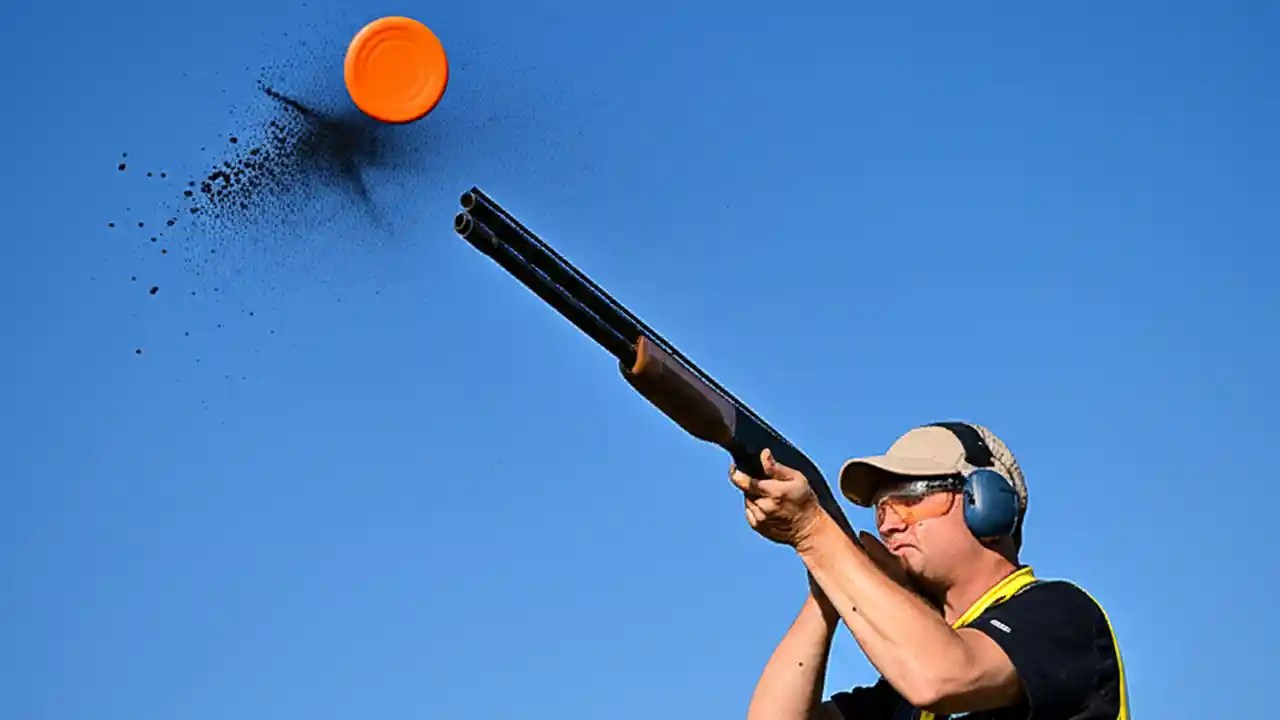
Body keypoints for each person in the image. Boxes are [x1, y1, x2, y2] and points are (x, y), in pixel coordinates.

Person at [728, 421, 1128, 720]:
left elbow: (940, 677)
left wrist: (817, 535)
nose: (888, 525)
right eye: (882, 508)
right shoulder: (901, 696)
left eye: (911, 499)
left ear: (986, 502)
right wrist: (827, 581)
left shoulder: (1059, 613)